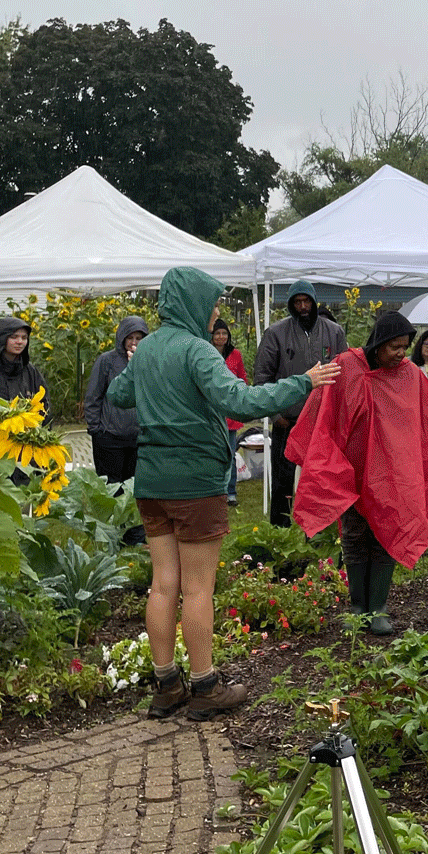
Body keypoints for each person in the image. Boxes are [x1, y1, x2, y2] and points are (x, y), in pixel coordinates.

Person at [109, 267, 340, 719]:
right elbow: (241, 402)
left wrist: (144, 367)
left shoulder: (149, 346)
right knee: (198, 589)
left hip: (151, 481)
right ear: (193, 301)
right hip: (195, 482)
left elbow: (119, 395)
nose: (216, 312)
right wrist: (303, 381)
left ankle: (165, 686)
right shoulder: (198, 351)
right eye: (212, 302)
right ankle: (205, 687)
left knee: (162, 585)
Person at [287, 311, 428, 635]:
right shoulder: (347, 366)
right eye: (394, 347)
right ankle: (358, 607)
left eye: (404, 346)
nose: (400, 353)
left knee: (387, 534)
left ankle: (378, 608)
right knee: (355, 535)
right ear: (379, 343)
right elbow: (325, 405)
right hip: (353, 472)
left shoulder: (410, 375)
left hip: (393, 474)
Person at [253, 281, 348, 526]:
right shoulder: (276, 333)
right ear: (291, 305)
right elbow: (262, 377)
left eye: (307, 302)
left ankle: (318, 531)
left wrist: (337, 416)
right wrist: (275, 415)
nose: (303, 307)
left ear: (315, 303)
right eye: (297, 302)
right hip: (288, 421)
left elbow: (345, 376)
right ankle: (280, 534)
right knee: (283, 482)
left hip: (322, 422)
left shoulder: (334, 332)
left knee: (321, 481)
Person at [84, 316, 149, 484]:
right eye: (130, 338)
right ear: (122, 338)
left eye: (138, 338)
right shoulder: (107, 360)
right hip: (109, 436)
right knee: (111, 486)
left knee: (132, 487)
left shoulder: (148, 361)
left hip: (137, 437)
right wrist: (96, 429)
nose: (134, 342)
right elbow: (93, 395)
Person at [212, 323, 250, 506]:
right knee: (212, 454)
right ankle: (214, 491)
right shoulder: (205, 353)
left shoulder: (235, 355)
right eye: (217, 333)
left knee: (230, 453)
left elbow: (242, 377)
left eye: (224, 333)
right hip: (211, 412)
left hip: (230, 413)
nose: (220, 337)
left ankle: (231, 491)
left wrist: (241, 395)